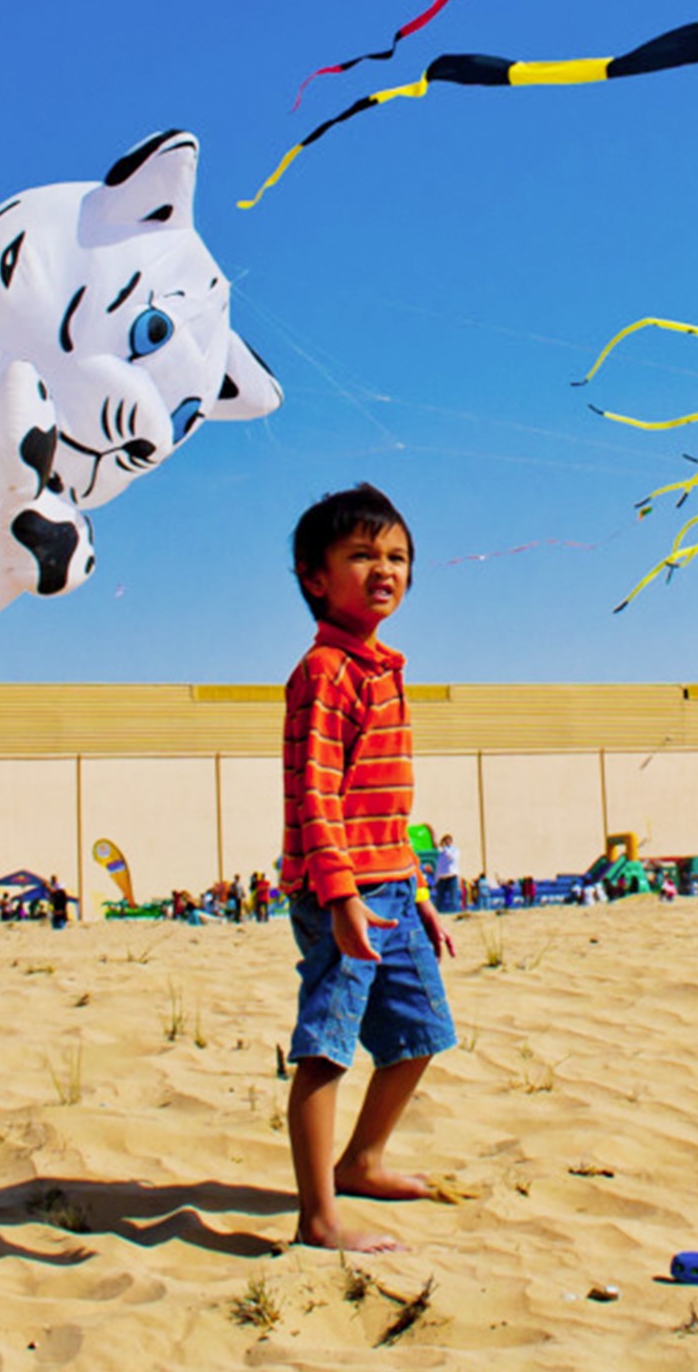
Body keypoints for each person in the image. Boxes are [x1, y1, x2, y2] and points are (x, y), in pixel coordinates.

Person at [279, 484, 456, 1253]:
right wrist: (341, 894)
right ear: (315, 576)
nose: (384, 569)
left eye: (397, 556)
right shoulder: (326, 671)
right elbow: (317, 795)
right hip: (339, 891)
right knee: (327, 1045)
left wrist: (417, 889)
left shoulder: (385, 669)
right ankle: (318, 1216)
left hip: (390, 885)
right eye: (361, 556)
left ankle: (363, 1160)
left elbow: (384, 803)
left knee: (419, 1034)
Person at [432, 834, 461, 915]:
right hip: (442, 878)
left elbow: (453, 858)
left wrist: (445, 849)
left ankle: (454, 912)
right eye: (445, 840)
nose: (447, 842)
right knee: (439, 897)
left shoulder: (455, 850)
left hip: (451, 876)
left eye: (448, 840)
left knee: (453, 897)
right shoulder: (441, 854)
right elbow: (439, 867)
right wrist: (436, 879)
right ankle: (439, 912)